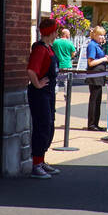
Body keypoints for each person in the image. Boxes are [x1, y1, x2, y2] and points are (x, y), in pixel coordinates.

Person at [26, 17, 63, 179]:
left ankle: (41, 160)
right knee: (42, 126)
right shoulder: (40, 49)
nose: (57, 33)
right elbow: (31, 70)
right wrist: (37, 84)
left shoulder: (49, 48)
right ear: (50, 32)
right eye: (55, 30)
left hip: (48, 93)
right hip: (40, 94)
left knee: (49, 125)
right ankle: (36, 164)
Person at [84, 25, 108, 131]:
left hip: (99, 75)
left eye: (103, 35)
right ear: (94, 35)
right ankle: (91, 124)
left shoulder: (98, 45)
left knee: (98, 100)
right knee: (94, 100)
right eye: (100, 35)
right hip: (94, 75)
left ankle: (96, 123)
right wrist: (104, 59)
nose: (102, 37)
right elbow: (91, 62)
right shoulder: (92, 45)